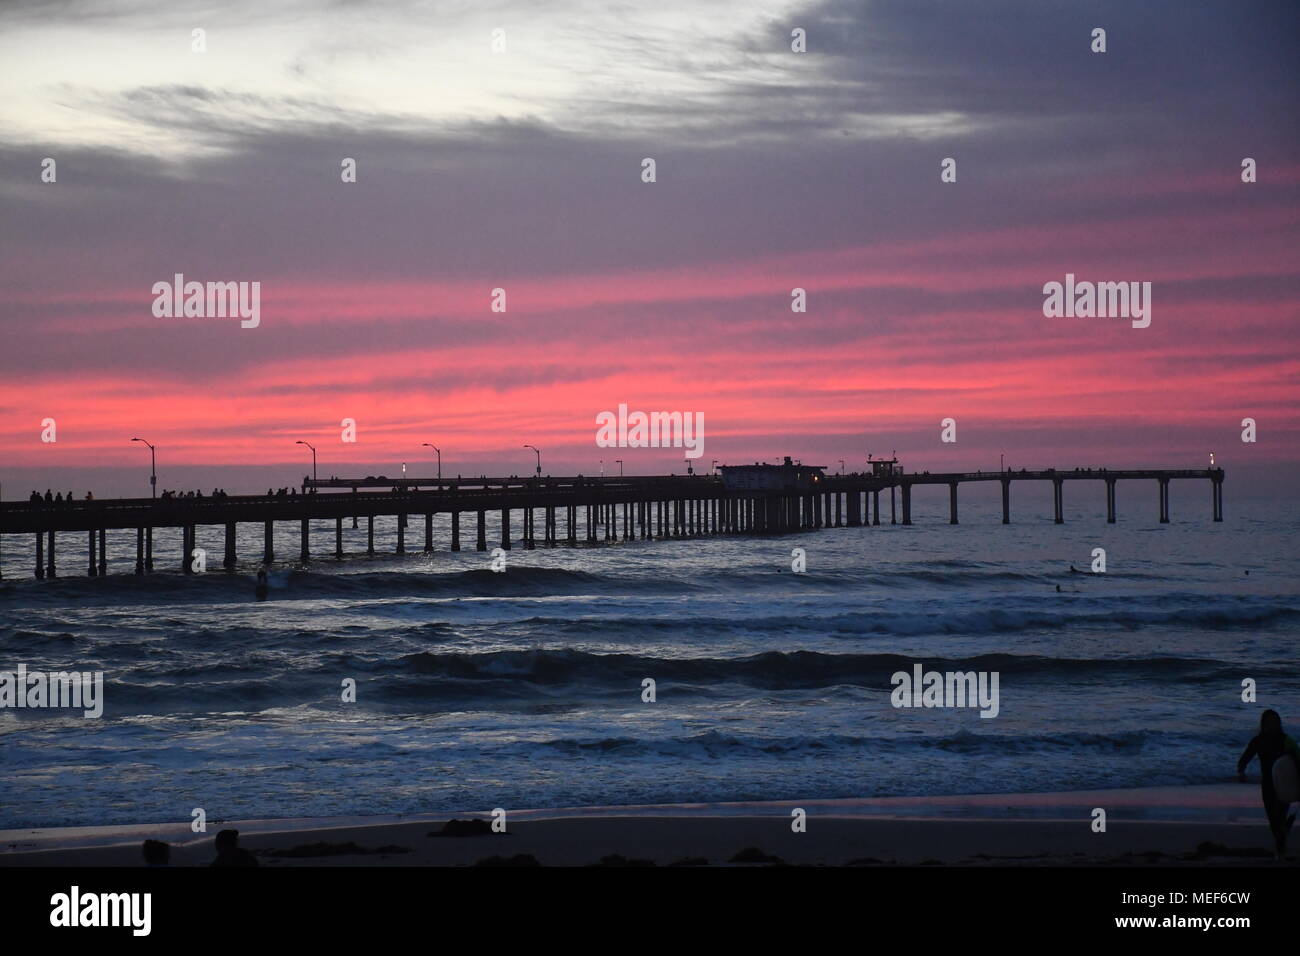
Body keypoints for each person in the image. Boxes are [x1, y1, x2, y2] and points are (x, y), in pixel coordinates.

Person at [1238, 709, 1300, 859]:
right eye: (1269, 722)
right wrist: (1241, 771)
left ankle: (1281, 847)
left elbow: (1298, 759)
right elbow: (1245, 758)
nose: (1272, 724)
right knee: (1273, 818)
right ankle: (1282, 837)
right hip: (1267, 784)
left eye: (1275, 721)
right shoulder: (1258, 741)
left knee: (1280, 815)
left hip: (1285, 783)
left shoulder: (1286, 739)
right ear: (1264, 724)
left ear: (1279, 723)